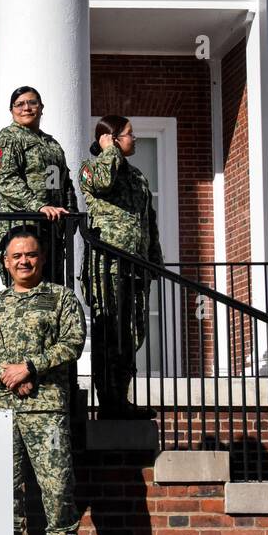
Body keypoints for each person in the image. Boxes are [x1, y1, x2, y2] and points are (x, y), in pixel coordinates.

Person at [0, 228, 85, 535]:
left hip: (46, 407)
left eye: (31, 254)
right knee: (5, 485)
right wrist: (8, 376)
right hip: (1, 409)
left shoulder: (61, 298)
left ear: (42, 258)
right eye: (16, 256)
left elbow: (72, 343)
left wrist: (30, 367)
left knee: (57, 484)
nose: (24, 261)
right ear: (5, 262)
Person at [80, 115, 163, 419]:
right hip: (107, 268)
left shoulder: (138, 177)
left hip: (136, 266)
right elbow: (102, 183)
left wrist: (155, 260)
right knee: (109, 334)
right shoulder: (91, 168)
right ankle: (109, 401)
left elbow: (148, 222)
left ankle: (122, 399)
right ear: (112, 139)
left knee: (132, 332)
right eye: (128, 134)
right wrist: (107, 151)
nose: (135, 139)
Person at [0, 86, 77, 285]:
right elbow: (6, 180)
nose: (27, 108)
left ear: (41, 107)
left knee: (53, 291)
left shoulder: (51, 143)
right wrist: (37, 206)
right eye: (19, 104)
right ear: (12, 110)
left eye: (32, 103)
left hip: (52, 231)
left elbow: (65, 182)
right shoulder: (9, 138)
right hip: (22, 229)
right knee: (26, 291)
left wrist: (70, 213)